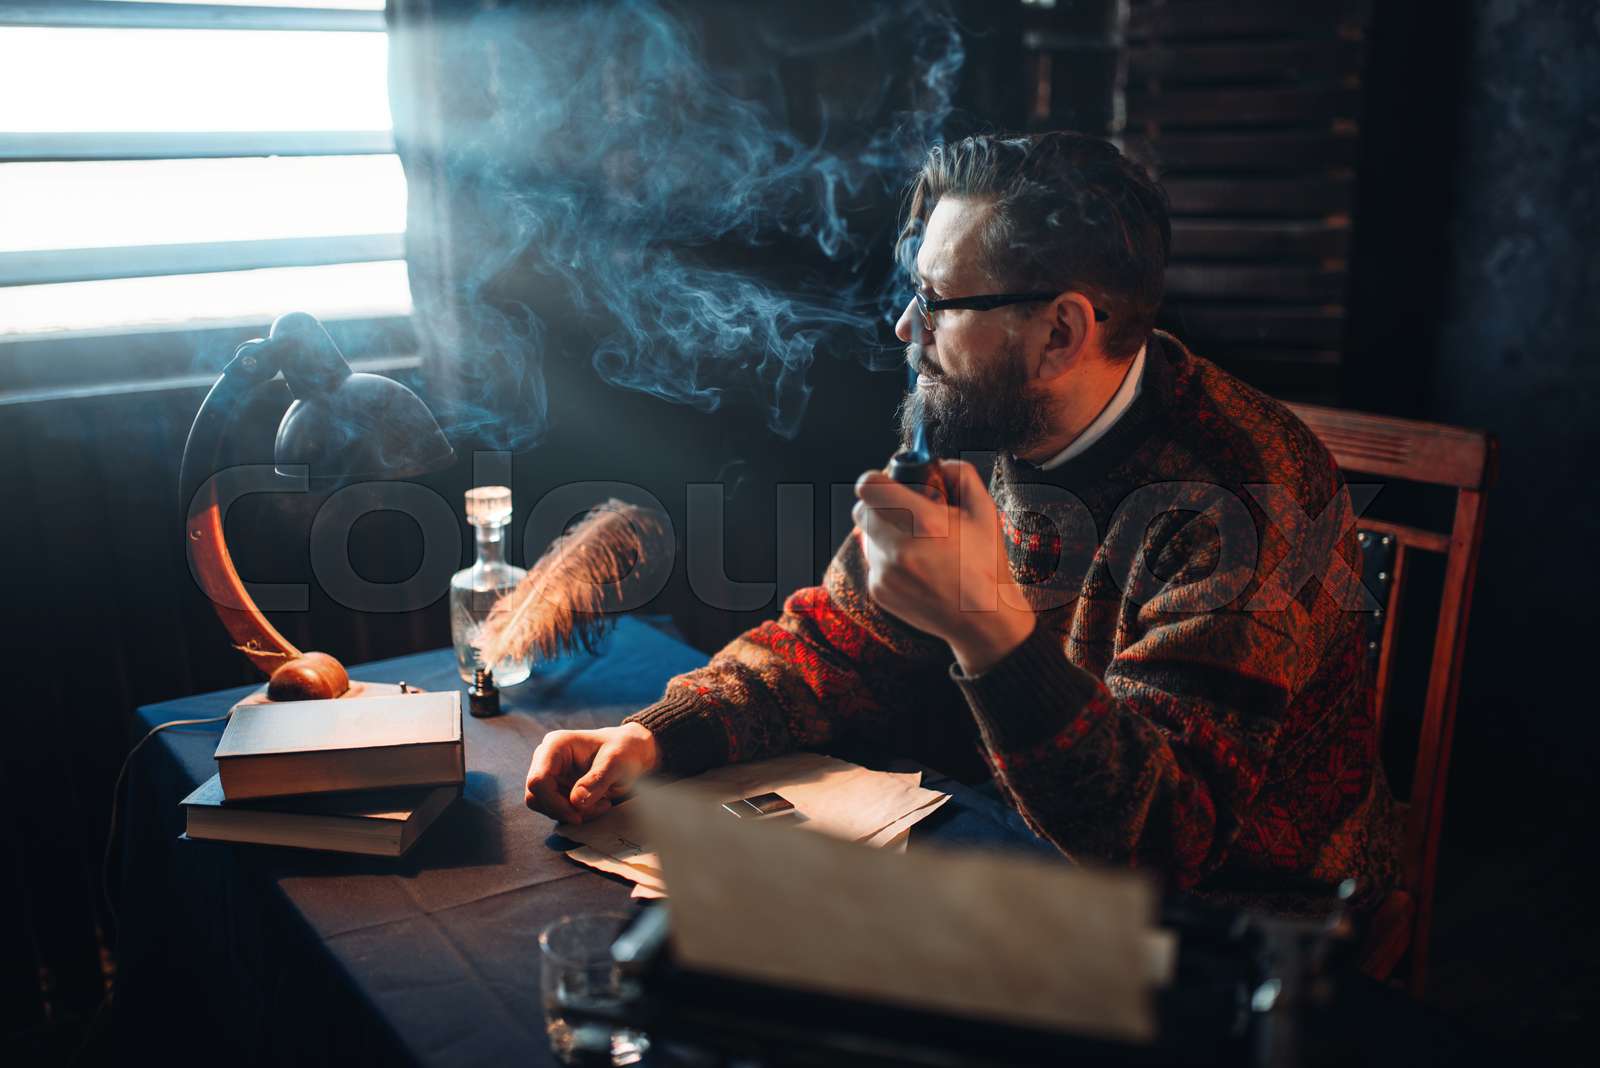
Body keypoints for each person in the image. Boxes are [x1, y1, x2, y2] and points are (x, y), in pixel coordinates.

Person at [525, 131, 1397, 909]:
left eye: (940, 302)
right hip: (1018, 840)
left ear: (1060, 333)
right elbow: (839, 639)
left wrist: (989, 627)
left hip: (1252, 927)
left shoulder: (1245, 499)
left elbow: (1165, 844)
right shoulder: (978, 423)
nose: (909, 327)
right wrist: (655, 736)